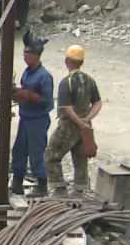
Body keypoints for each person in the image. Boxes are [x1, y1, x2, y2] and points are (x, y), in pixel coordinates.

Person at [44, 44, 103, 195]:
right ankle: (80, 190)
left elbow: (66, 108)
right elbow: (98, 103)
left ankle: (59, 189)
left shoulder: (67, 82)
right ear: (82, 62)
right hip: (84, 127)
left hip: (68, 126)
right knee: (80, 158)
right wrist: (86, 119)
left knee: (51, 155)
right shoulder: (90, 80)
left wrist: (78, 121)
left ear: (67, 61)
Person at [10, 31, 53, 197]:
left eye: (28, 54)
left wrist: (28, 95)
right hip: (25, 118)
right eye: (24, 54)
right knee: (19, 151)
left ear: (36, 56)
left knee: (36, 153)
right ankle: (17, 183)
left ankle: (42, 186)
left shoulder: (44, 77)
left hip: (38, 120)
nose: (25, 57)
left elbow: (47, 101)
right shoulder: (27, 72)